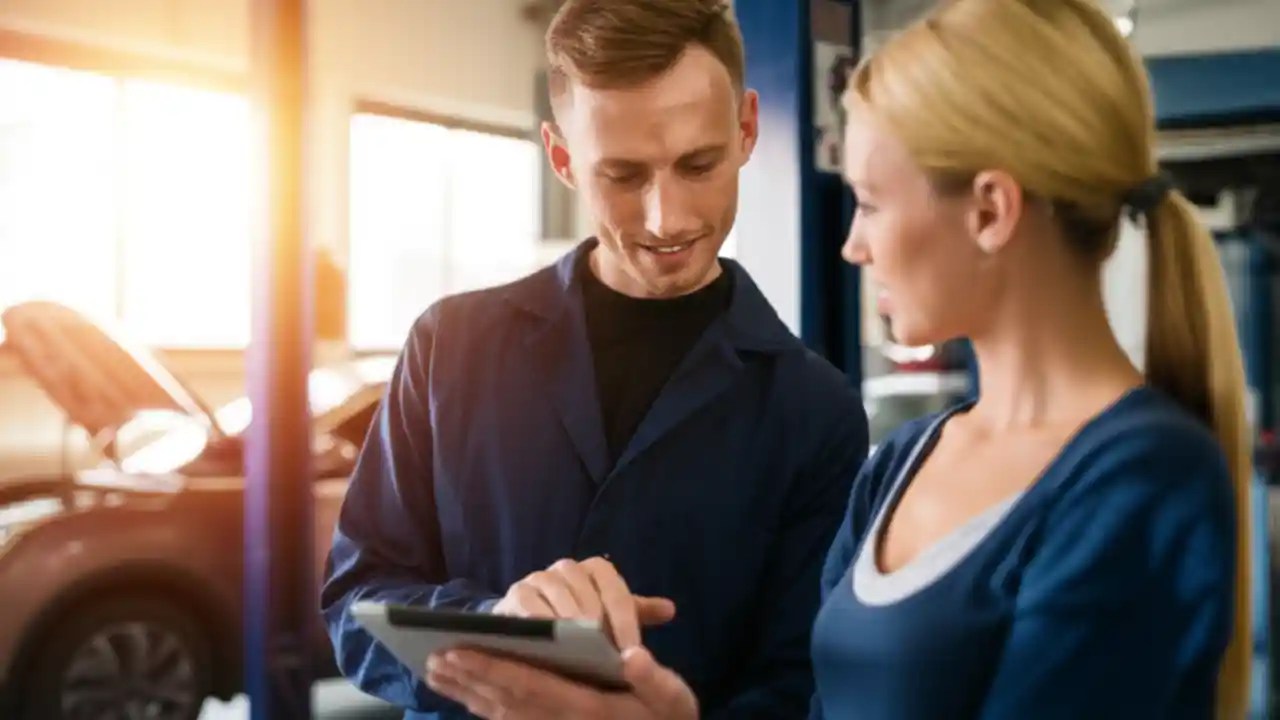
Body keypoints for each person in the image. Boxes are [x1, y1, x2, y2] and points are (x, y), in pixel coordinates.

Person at [421, 0, 1255, 718]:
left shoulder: (1142, 481)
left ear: (991, 211)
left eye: (869, 201)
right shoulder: (900, 464)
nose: (851, 244)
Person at [320, 1, 869, 718]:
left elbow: (803, 686)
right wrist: (493, 628)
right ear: (561, 159)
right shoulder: (448, 348)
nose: (666, 217)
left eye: (698, 164)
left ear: (746, 130)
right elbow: (355, 604)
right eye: (624, 175)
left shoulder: (815, 411)